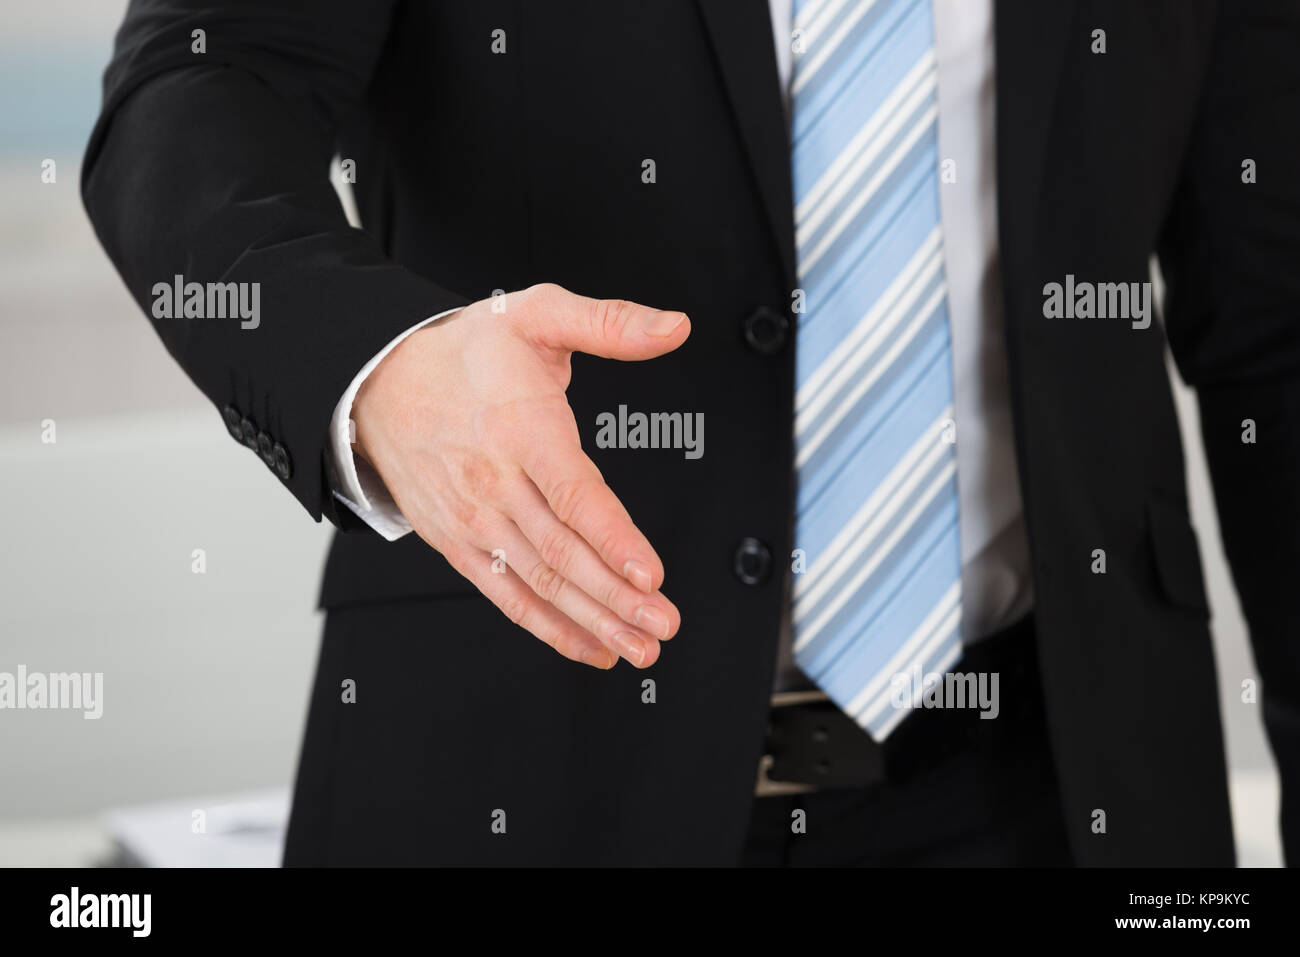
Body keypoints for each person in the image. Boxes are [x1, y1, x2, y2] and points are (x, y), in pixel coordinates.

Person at [83, 0, 1300, 866]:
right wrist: (374, 361)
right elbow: (200, 78)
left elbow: (1271, 328)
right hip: (532, 759)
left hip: (1064, 778)